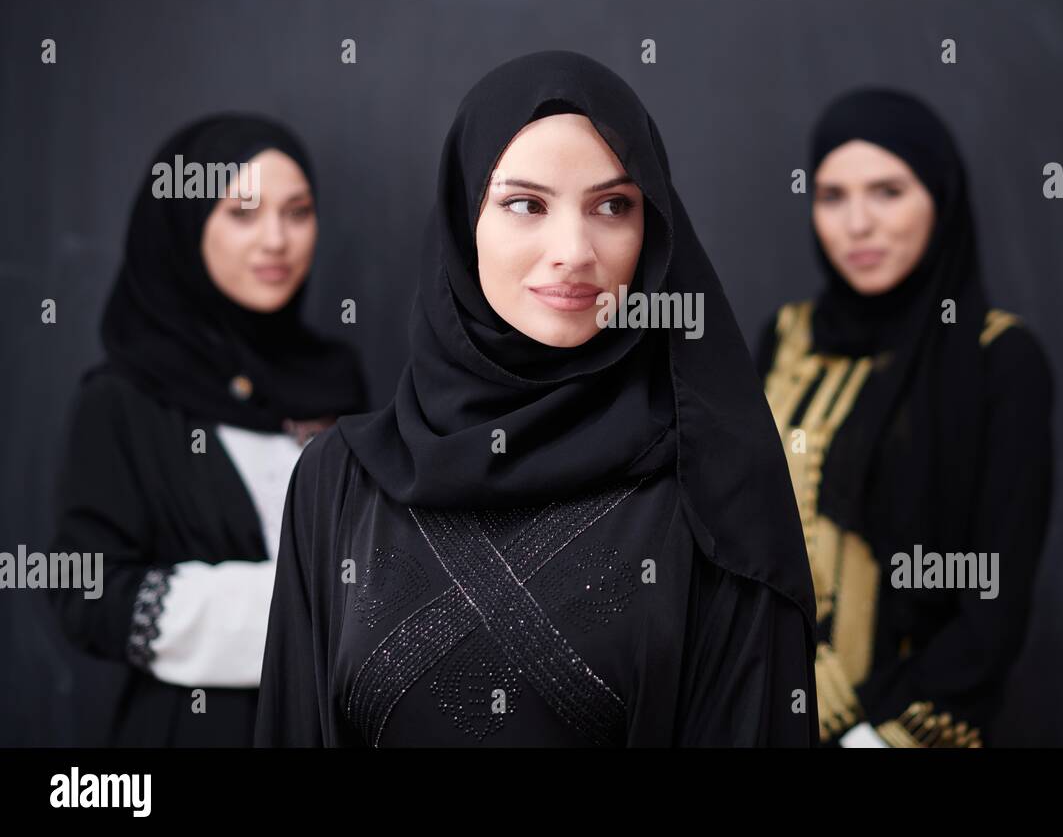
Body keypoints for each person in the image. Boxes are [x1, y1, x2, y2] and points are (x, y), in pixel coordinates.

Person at [254, 50, 818, 747]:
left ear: (653, 234)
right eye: (525, 204)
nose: (574, 249)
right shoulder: (338, 482)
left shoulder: (714, 487)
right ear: (466, 224)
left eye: (614, 206)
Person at [47, 115, 368, 746]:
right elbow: (87, 593)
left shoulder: (334, 380)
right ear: (187, 227)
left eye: (298, 213)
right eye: (243, 214)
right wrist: (302, 613)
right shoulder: (123, 399)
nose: (276, 240)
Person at [755, 88, 1054, 747]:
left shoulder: (997, 358)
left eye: (888, 191)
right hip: (758, 712)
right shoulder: (788, 337)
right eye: (833, 197)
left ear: (940, 199)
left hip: (898, 729)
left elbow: (994, 604)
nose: (858, 224)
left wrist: (879, 740)